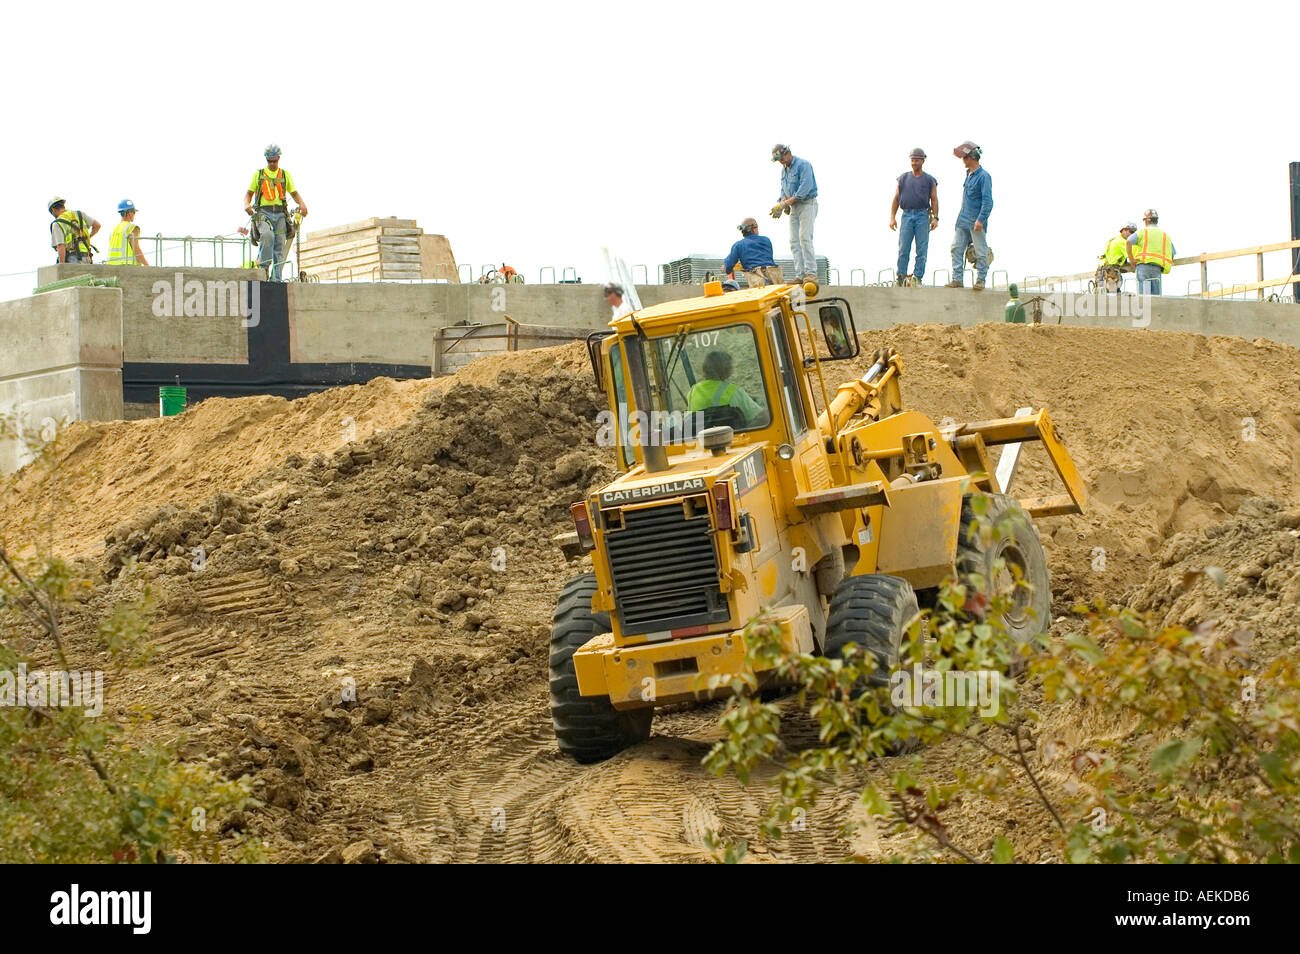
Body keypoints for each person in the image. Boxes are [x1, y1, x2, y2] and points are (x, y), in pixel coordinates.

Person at [243, 143, 308, 281]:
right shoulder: (259, 175)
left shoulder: (284, 175)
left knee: (279, 244)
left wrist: (302, 204)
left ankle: (276, 279)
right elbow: (248, 194)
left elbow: (294, 193)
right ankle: (263, 269)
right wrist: (247, 205)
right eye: (269, 161)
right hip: (263, 214)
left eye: (275, 161)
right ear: (267, 160)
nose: (272, 164)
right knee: (267, 236)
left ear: (278, 158)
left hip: (280, 214)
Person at [945, 141, 993, 290]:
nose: (963, 161)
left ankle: (981, 280)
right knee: (956, 248)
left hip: (975, 221)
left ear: (971, 157)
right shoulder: (969, 175)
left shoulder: (984, 177)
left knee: (980, 251)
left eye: (965, 158)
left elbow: (988, 201)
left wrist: (980, 220)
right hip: (963, 221)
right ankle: (957, 279)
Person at [890, 147, 939, 287]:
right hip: (906, 214)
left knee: (922, 249)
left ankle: (917, 276)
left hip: (922, 215)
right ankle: (901, 276)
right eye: (912, 160)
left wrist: (935, 217)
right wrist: (892, 217)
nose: (914, 162)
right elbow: (896, 198)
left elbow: (934, 199)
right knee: (903, 247)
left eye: (917, 160)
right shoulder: (903, 178)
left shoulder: (929, 180)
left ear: (923, 161)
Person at [771, 144, 818, 283]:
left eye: (781, 158)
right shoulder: (783, 170)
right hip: (794, 207)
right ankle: (800, 275)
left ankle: (811, 273)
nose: (781, 162)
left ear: (788, 153)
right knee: (794, 241)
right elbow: (783, 188)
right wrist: (782, 201)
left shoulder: (803, 165)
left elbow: (805, 187)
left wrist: (788, 202)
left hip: (807, 204)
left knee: (805, 237)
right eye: (778, 160)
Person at [686, 350, 763, 427]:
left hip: (703, 438)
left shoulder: (692, 392)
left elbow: (690, 421)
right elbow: (760, 416)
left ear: (704, 369)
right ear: (727, 369)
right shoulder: (735, 392)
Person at [723, 218, 783, 288]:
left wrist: (725, 267)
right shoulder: (766, 240)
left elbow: (728, 266)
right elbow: (761, 258)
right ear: (754, 228)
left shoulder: (738, 245)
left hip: (757, 280)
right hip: (775, 276)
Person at [1127, 209, 1175, 295]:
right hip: (1157, 268)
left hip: (1143, 267)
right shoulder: (1165, 235)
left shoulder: (1143, 232)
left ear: (1146, 221)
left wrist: (1131, 260)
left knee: (1144, 298)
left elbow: (1129, 241)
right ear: (1156, 220)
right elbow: (1172, 252)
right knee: (1156, 297)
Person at [48, 197, 100, 264]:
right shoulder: (79, 214)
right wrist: (87, 237)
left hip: (72, 257)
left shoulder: (57, 223)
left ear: (53, 210)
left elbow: (60, 246)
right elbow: (97, 226)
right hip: (86, 256)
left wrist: (61, 265)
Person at [104, 200, 149, 266]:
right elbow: (136, 249)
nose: (134, 214)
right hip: (127, 265)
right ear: (130, 213)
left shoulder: (114, 229)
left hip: (111, 265)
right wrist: (147, 265)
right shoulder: (131, 227)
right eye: (134, 212)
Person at [1095, 222, 1135, 292]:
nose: (1132, 235)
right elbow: (1133, 255)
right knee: (1113, 298)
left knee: (1101, 297)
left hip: (1101, 272)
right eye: (1131, 232)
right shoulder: (1122, 242)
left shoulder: (1114, 240)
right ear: (1124, 231)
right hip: (1111, 272)